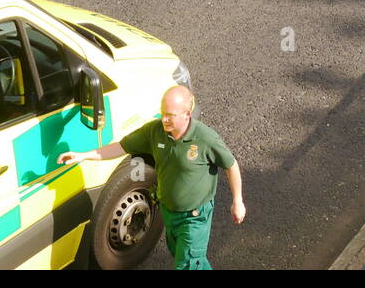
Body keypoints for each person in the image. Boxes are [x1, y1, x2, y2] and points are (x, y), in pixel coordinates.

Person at [59, 85, 244, 269]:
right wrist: (83, 155)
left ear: (187, 114)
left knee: (187, 263)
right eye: (162, 113)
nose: (164, 119)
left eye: (170, 115)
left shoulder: (206, 139)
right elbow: (121, 147)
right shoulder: (155, 131)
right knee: (188, 259)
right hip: (169, 212)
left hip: (194, 217)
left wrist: (237, 201)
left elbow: (231, 165)